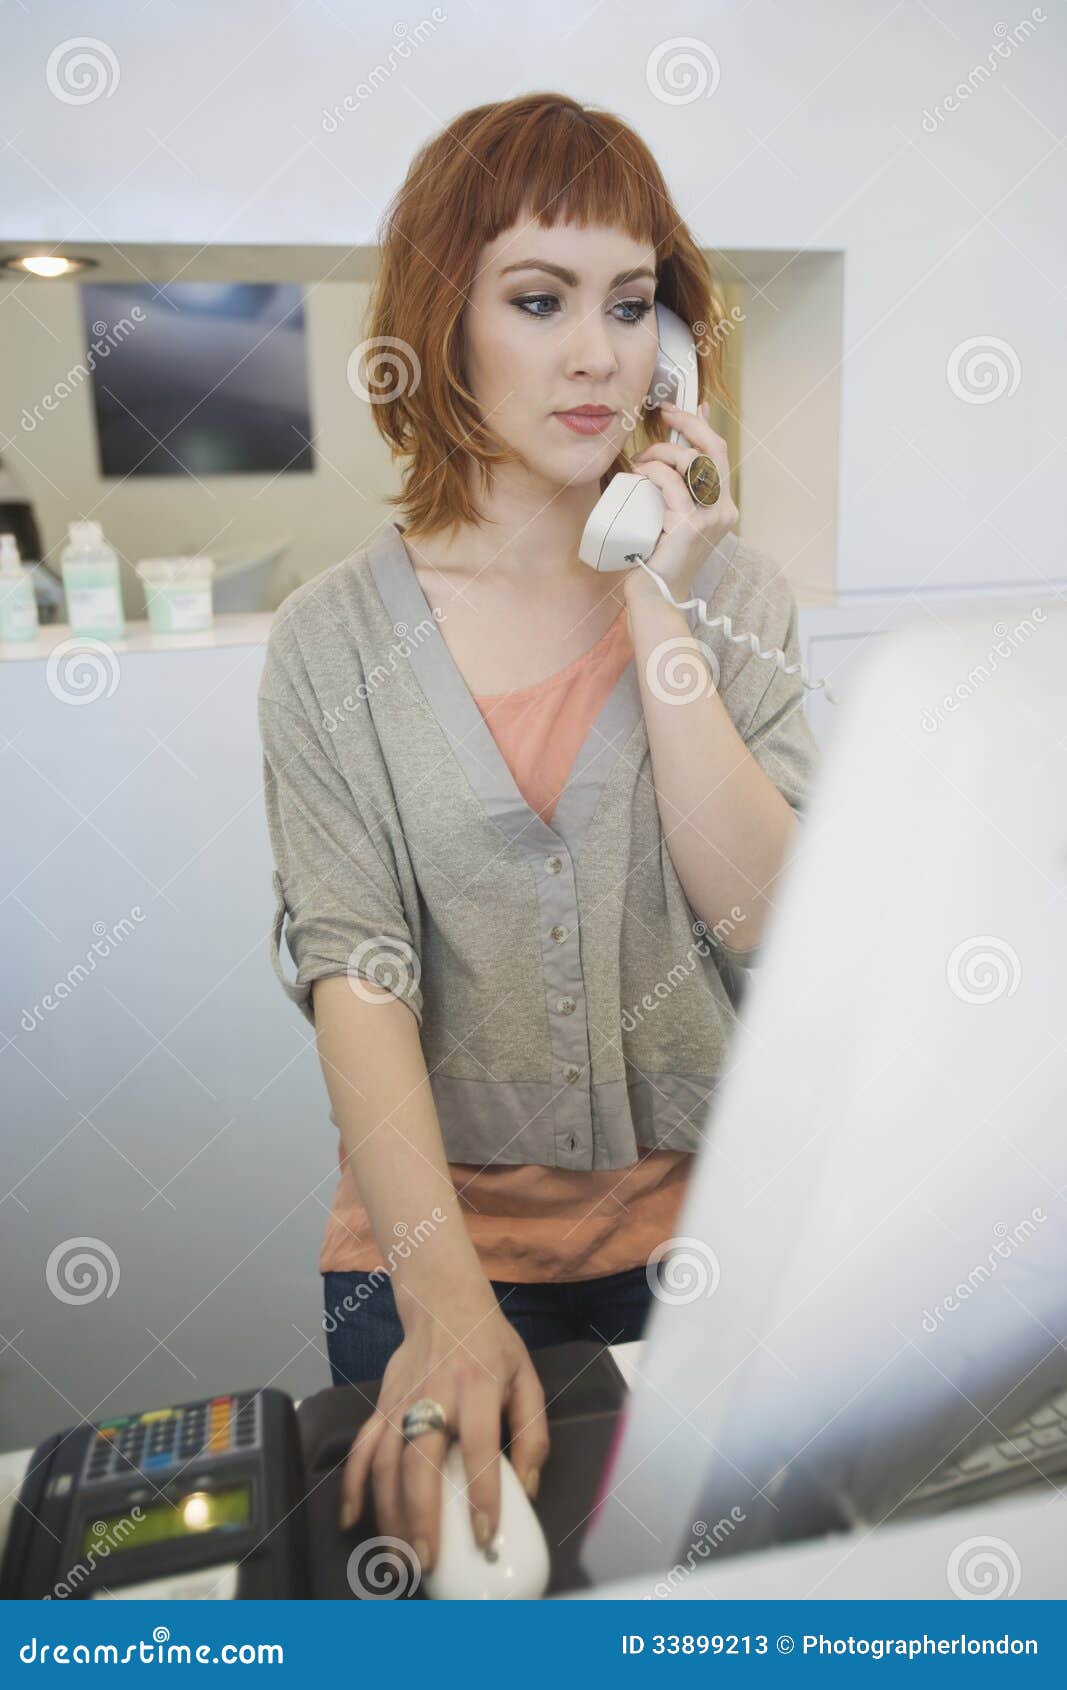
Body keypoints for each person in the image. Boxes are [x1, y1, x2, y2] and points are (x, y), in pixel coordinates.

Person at [257, 90, 819, 1578]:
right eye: (538, 299)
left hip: (714, 1244)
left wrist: (656, 596)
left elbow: (770, 922)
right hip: (433, 1255)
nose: (598, 352)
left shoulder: (733, 594)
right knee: (470, 1606)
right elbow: (355, 967)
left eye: (632, 305)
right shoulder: (329, 644)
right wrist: (446, 1297)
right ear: (445, 324)